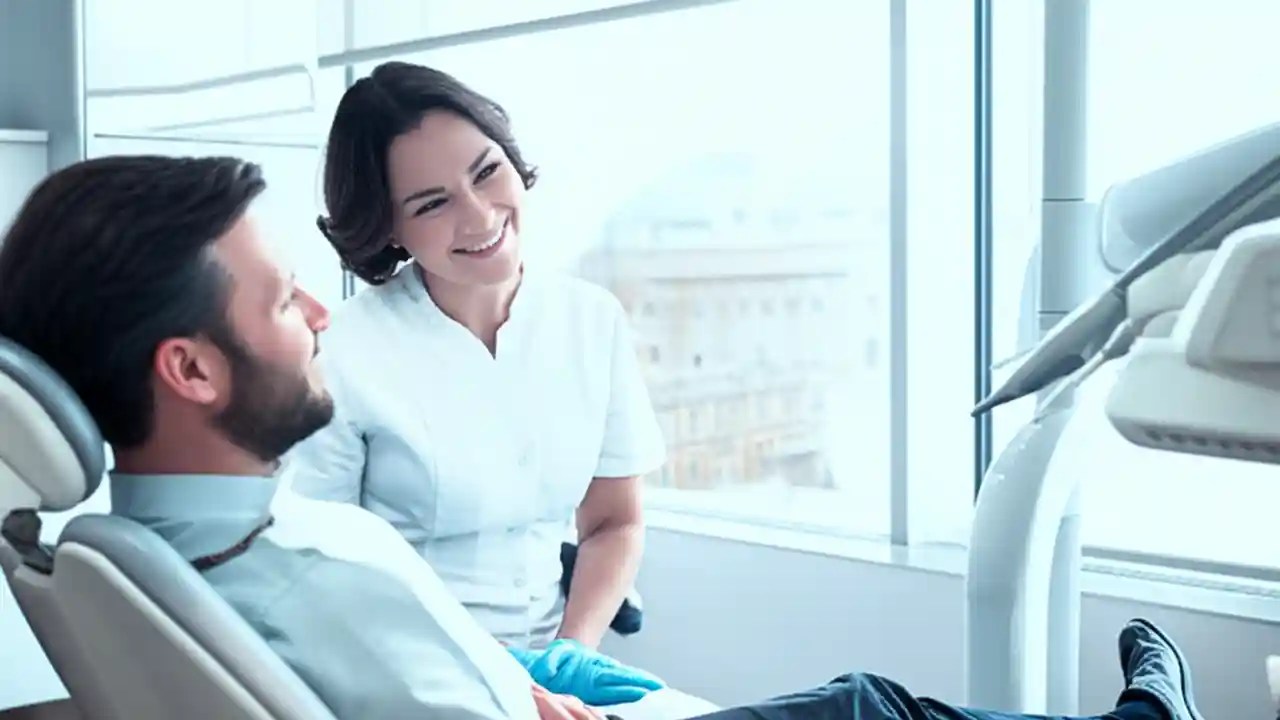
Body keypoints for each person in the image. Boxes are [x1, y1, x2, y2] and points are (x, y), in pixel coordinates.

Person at [0, 154, 1204, 720]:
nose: (320, 313)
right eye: (280, 301)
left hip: (532, 676)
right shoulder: (293, 571)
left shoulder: (137, 553)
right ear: (192, 368)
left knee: (856, 703)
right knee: (864, 707)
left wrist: (520, 686)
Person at [286, 60, 662, 651]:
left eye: (487, 172)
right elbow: (321, 574)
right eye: (432, 204)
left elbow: (615, 522)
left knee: (856, 700)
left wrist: (573, 653)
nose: (480, 215)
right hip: (413, 675)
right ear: (388, 228)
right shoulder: (341, 353)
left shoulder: (592, 321)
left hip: (556, 667)